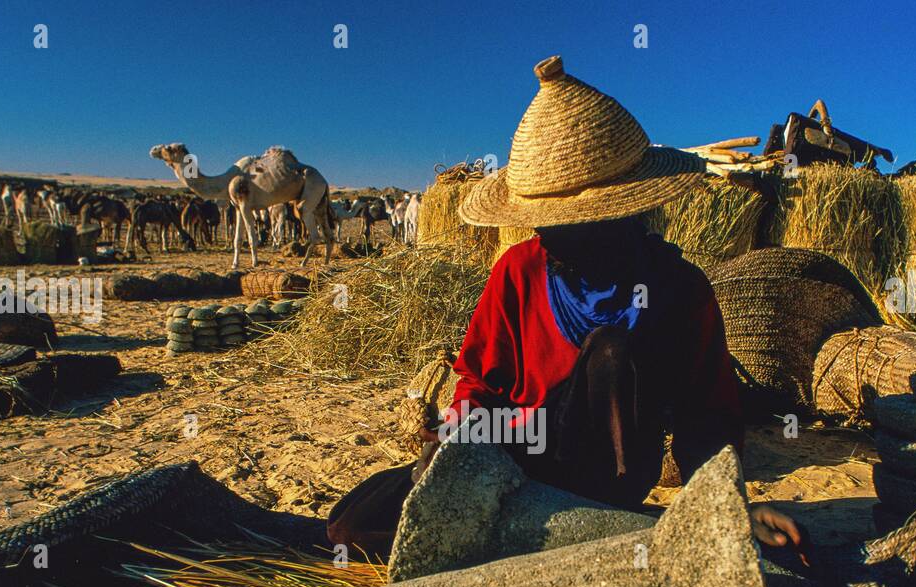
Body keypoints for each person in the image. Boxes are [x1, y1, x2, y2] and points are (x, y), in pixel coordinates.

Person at [329, 54, 802, 557]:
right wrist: (456, 450)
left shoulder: (679, 289)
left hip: (609, 475)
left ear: (622, 213)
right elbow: (479, 383)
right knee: (351, 527)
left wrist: (729, 505)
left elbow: (707, 417)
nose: (549, 237)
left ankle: (593, 525)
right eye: (545, 224)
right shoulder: (519, 271)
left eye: (573, 225)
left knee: (612, 353)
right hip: (517, 458)